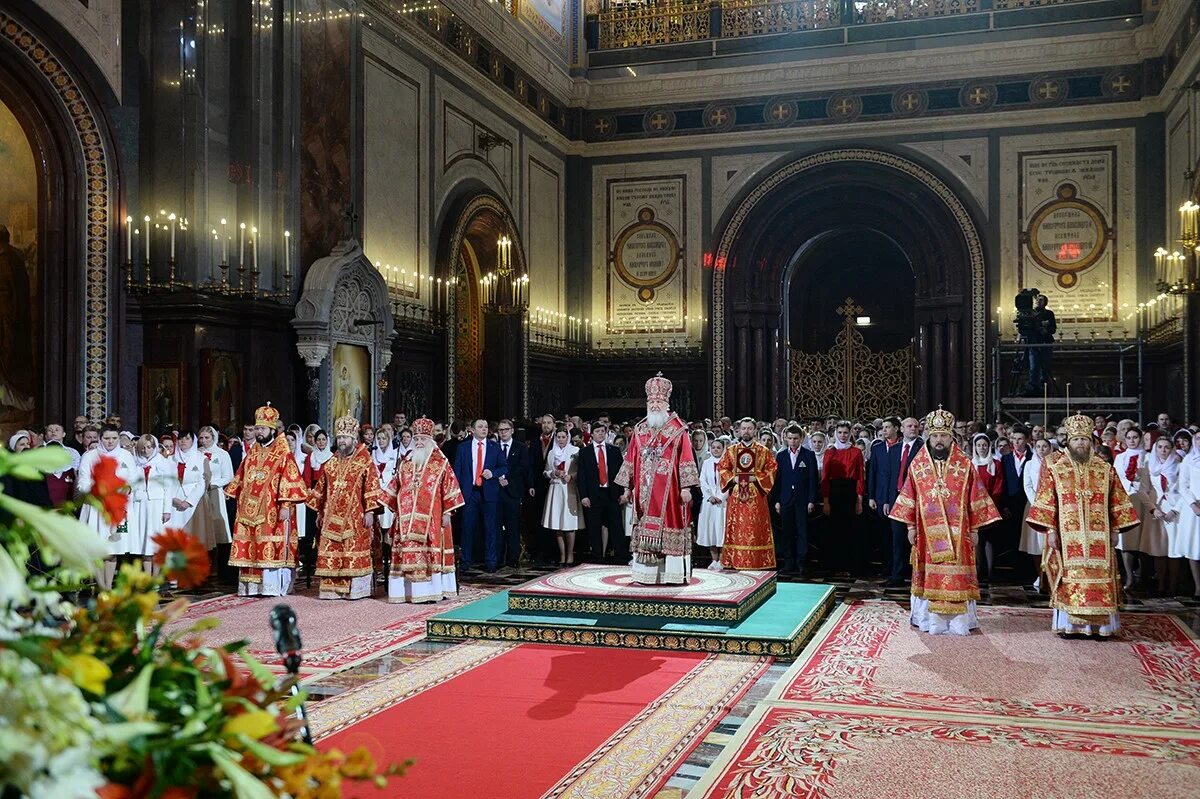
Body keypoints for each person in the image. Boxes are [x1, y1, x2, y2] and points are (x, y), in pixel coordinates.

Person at [889, 407, 1001, 635]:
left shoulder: (965, 465)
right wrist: (910, 526)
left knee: (957, 575)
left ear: (951, 438)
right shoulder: (918, 465)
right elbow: (910, 495)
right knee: (929, 575)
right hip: (926, 536)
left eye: (943, 436)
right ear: (929, 437)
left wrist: (976, 529)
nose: (939, 441)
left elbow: (976, 498)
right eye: (935, 436)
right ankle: (930, 621)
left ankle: (959, 623)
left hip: (960, 535)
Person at [1026, 414, 1138, 637]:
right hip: (1068, 539)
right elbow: (1047, 502)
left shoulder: (1104, 469)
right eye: (1076, 439)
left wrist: (1116, 530)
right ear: (1068, 441)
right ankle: (1071, 625)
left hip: (1100, 537)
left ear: (1091, 441)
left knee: (1099, 577)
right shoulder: (1056, 469)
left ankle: (1101, 627)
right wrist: (1050, 530)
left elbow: (1117, 500)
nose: (1080, 444)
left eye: (1084, 439)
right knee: (1070, 577)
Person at [615, 373, 700, 585]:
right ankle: (646, 575)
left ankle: (671, 575)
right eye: (651, 401)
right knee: (644, 528)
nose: (654, 405)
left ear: (666, 402)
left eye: (658, 401)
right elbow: (631, 457)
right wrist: (627, 487)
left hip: (670, 493)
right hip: (643, 493)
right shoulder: (640, 429)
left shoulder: (678, 429)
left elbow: (686, 458)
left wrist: (687, 487)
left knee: (670, 526)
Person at [225, 403, 308, 597]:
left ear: (272, 429)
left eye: (262, 428)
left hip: (273, 509)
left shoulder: (283, 454)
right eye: (257, 428)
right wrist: (232, 490)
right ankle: (250, 587)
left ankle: (271, 586)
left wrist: (286, 505)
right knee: (250, 545)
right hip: (248, 510)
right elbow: (242, 475)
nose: (258, 432)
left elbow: (290, 479)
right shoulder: (252, 453)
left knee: (270, 544)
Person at [382, 417, 464, 602]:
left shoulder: (440, 463)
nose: (418, 443)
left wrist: (447, 513)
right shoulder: (406, 463)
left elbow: (450, 489)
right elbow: (395, 487)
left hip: (432, 520)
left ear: (430, 441)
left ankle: (429, 591)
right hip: (405, 520)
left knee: (428, 554)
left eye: (422, 440)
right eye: (416, 439)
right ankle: (406, 592)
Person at [305, 416, 384, 600]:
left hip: (356, 518)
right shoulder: (331, 462)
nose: (341, 441)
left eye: (345, 438)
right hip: (330, 517)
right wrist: (319, 511)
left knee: (352, 549)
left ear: (354, 439)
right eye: (339, 437)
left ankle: (355, 589)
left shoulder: (364, 460)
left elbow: (372, 486)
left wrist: (370, 511)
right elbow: (322, 488)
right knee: (331, 549)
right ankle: (331, 589)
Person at [77, 425, 139, 588]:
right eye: (106, 438)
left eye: (114, 438)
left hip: (119, 509)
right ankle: (101, 586)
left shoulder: (126, 455)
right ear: (100, 438)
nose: (110, 442)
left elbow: (133, 480)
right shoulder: (90, 456)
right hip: (96, 508)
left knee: (114, 549)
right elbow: (82, 482)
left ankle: (109, 586)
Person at [718, 418, 778, 570]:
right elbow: (723, 468)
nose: (746, 431)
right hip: (737, 497)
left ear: (755, 430)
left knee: (755, 527)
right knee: (738, 527)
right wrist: (734, 478)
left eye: (749, 428)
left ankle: (758, 561)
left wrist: (756, 477)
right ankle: (735, 560)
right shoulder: (731, 450)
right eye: (744, 428)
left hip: (756, 496)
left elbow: (772, 469)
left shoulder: (763, 451)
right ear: (739, 430)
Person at [453, 418, 508, 573]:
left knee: (490, 528)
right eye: (480, 426)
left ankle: (491, 562)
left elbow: (504, 467)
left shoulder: (494, 447)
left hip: (489, 493)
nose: (484, 429)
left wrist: (493, 473)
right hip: (470, 493)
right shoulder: (463, 448)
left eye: (486, 426)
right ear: (472, 429)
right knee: (467, 527)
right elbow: (457, 471)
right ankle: (466, 561)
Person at [771, 423, 818, 576]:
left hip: (802, 500)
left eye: (796, 438)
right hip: (786, 499)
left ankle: (802, 563)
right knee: (787, 532)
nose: (793, 441)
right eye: (790, 438)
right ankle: (788, 562)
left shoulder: (808, 455)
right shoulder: (781, 456)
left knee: (802, 531)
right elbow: (778, 480)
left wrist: (811, 500)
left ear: (801, 438)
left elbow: (813, 479)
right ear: (785, 438)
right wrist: (777, 500)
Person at [821, 420, 866, 577]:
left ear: (850, 434)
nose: (842, 435)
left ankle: (849, 566)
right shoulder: (829, 452)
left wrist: (859, 500)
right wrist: (826, 500)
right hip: (833, 493)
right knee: (834, 530)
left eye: (845, 433)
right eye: (839, 432)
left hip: (850, 493)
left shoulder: (856, 452)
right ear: (835, 433)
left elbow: (860, 475)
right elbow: (825, 478)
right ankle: (834, 566)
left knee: (850, 530)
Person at [577, 421, 625, 563]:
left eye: (602, 431)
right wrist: (584, 495)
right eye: (597, 431)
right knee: (594, 526)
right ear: (592, 434)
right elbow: (582, 476)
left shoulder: (614, 451)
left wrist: (623, 492)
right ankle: (597, 556)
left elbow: (621, 473)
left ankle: (620, 557)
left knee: (616, 525)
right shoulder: (585, 452)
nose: (600, 434)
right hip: (594, 494)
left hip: (612, 493)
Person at [128, 434, 174, 575]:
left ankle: (156, 575)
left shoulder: (162, 462)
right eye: (143, 447)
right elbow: (130, 484)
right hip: (140, 505)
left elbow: (168, 487)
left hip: (156, 504)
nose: (146, 450)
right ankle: (147, 575)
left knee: (156, 541)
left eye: (149, 447)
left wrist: (167, 510)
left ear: (154, 448)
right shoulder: (135, 462)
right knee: (143, 541)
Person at [1142, 436, 1181, 595]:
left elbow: (1184, 490)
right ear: (1155, 449)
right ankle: (1160, 584)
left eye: (1166, 447)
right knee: (1159, 548)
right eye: (1160, 447)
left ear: (1172, 449)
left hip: (1174, 510)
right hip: (1157, 510)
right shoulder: (1149, 465)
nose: (1163, 450)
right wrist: (1153, 509)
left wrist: (1175, 510)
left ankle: (1173, 584)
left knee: (1173, 549)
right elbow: (1143, 491)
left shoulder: (1179, 466)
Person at [191, 425, 234, 568]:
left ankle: (216, 564)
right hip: (199, 494)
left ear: (214, 437)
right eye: (201, 438)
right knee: (201, 527)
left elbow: (228, 476)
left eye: (207, 438)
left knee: (216, 528)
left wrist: (213, 484)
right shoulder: (195, 454)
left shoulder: (222, 454)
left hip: (215, 493)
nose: (204, 441)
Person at [494, 419, 531, 569]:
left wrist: (506, 477)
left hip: (513, 491)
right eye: (500, 430)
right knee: (497, 527)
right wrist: (499, 477)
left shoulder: (520, 448)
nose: (503, 432)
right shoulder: (493, 447)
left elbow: (523, 467)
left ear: (512, 430)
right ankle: (498, 558)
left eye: (506, 429)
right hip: (497, 491)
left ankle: (513, 558)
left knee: (513, 526)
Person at [542, 429, 583, 565]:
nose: (560, 439)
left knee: (569, 523)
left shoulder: (575, 451)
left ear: (568, 437)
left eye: (563, 437)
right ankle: (562, 555)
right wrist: (553, 473)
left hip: (569, 489)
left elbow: (581, 470)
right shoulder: (552, 453)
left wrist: (571, 476)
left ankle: (570, 554)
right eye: (558, 437)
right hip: (555, 489)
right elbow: (546, 471)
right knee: (557, 524)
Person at [1112, 427, 1147, 590]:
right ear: (1124, 440)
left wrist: (1137, 482)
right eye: (1129, 437)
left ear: (1140, 438)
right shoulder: (1120, 458)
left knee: (1143, 540)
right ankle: (1129, 577)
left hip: (1143, 501)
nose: (1132, 440)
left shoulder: (1147, 457)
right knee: (1127, 540)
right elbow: (1115, 478)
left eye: (1135, 437)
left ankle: (1143, 575)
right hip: (1125, 499)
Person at [1019, 437, 1053, 590]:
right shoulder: (1029, 464)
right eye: (1038, 446)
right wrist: (1037, 503)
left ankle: (1050, 575)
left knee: (1050, 544)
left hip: (1052, 508)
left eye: (1044, 446)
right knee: (1035, 545)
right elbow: (1028, 485)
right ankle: (1039, 575)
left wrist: (1049, 504)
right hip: (1034, 506)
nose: (1041, 449)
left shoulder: (1056, 464)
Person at [970, 433, 1004, 585]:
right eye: (979, 445)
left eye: (984, 445)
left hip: (991, 506)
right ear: (975, 447)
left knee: (990, 539)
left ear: (989, 446)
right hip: (974, 507)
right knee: (977, 539)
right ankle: (978, 569)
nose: (982, 448)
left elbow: (999, 484)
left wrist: (990, 502)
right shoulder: (970, 464)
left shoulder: (995, 463)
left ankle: (991, 571)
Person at [1173, 431, 1200, 598]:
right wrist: (1193, 504)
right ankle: (1198, 587)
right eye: (1198, 438)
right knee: (1194, 547)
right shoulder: (1188, 461)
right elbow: (1183, 486)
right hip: (1194, 508)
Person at [698, 436, 730, 569]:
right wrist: (709, 496)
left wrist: (721, 497)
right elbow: (702, 481)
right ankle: (714, 559)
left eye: (718, 448)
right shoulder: (706, 463)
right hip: (709, 503)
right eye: (713, 447)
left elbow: (729, 482)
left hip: (722, 503)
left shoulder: (728, 463)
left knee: (721, 529)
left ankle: (722, 560)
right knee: (710, 529)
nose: (716, 450)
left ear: (723, 449)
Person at [372, 429, 399, 580]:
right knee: (378, 528)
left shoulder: (394, 455)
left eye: (384, 438)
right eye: (379, 438)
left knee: (388, 527)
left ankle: (389, 557)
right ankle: (380, 560)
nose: (381, 441)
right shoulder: (372, 454)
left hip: (388, 492)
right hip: (377, 493)